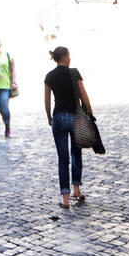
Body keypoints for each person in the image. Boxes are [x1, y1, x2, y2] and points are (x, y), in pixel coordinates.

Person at [43, 45, 92, 209]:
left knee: (62, 159)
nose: (70, 58)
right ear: (64, 57)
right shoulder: (74, 72)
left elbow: (47, 101)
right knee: (76, 154)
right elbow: (83, 93)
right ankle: (76, 190)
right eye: (69, 55)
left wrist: (49, 116)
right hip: (75, 117)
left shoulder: (49, 76)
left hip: (58, 117)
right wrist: (90, 111)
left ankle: (65, 198)